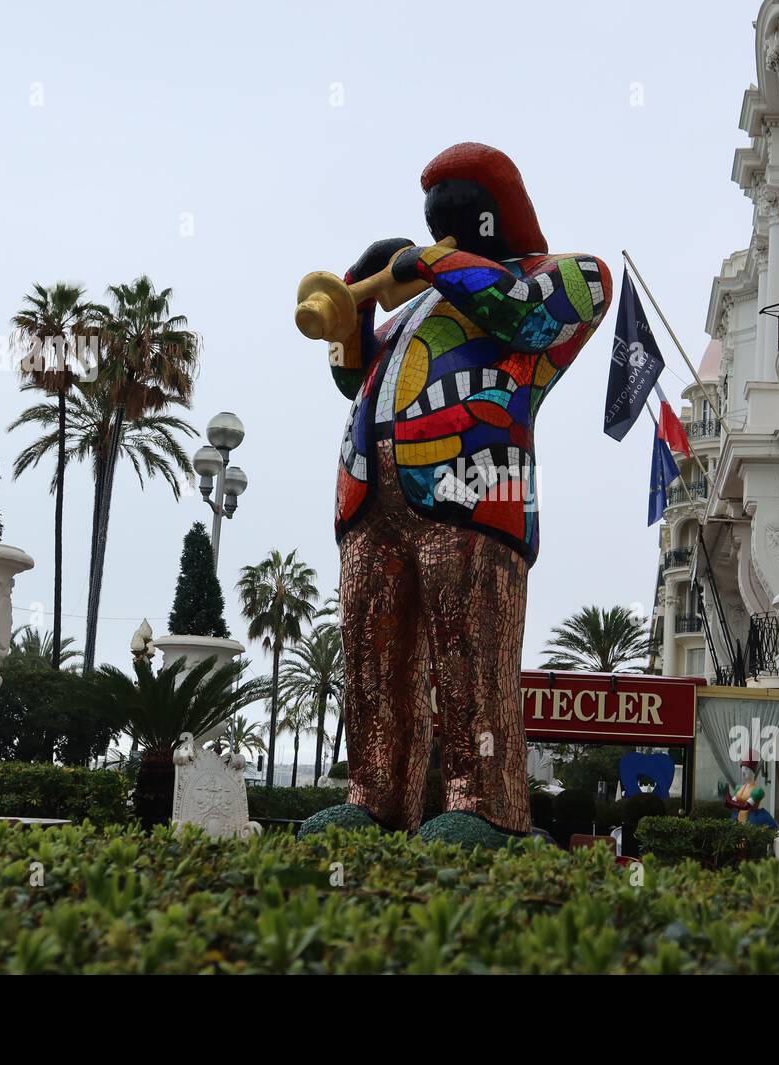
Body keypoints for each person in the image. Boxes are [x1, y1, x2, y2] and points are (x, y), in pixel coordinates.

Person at [298, 143, 612, 847]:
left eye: (459, 212)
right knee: (372, 659)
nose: (441, 228)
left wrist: (432, 265)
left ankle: (486, 802)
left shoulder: (567, 276)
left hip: (474, 493)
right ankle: (374, 796)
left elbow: (526, 316)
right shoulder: (418, 311)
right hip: (370, 499)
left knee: (472, 655)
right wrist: (352, 309)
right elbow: (356, 382)